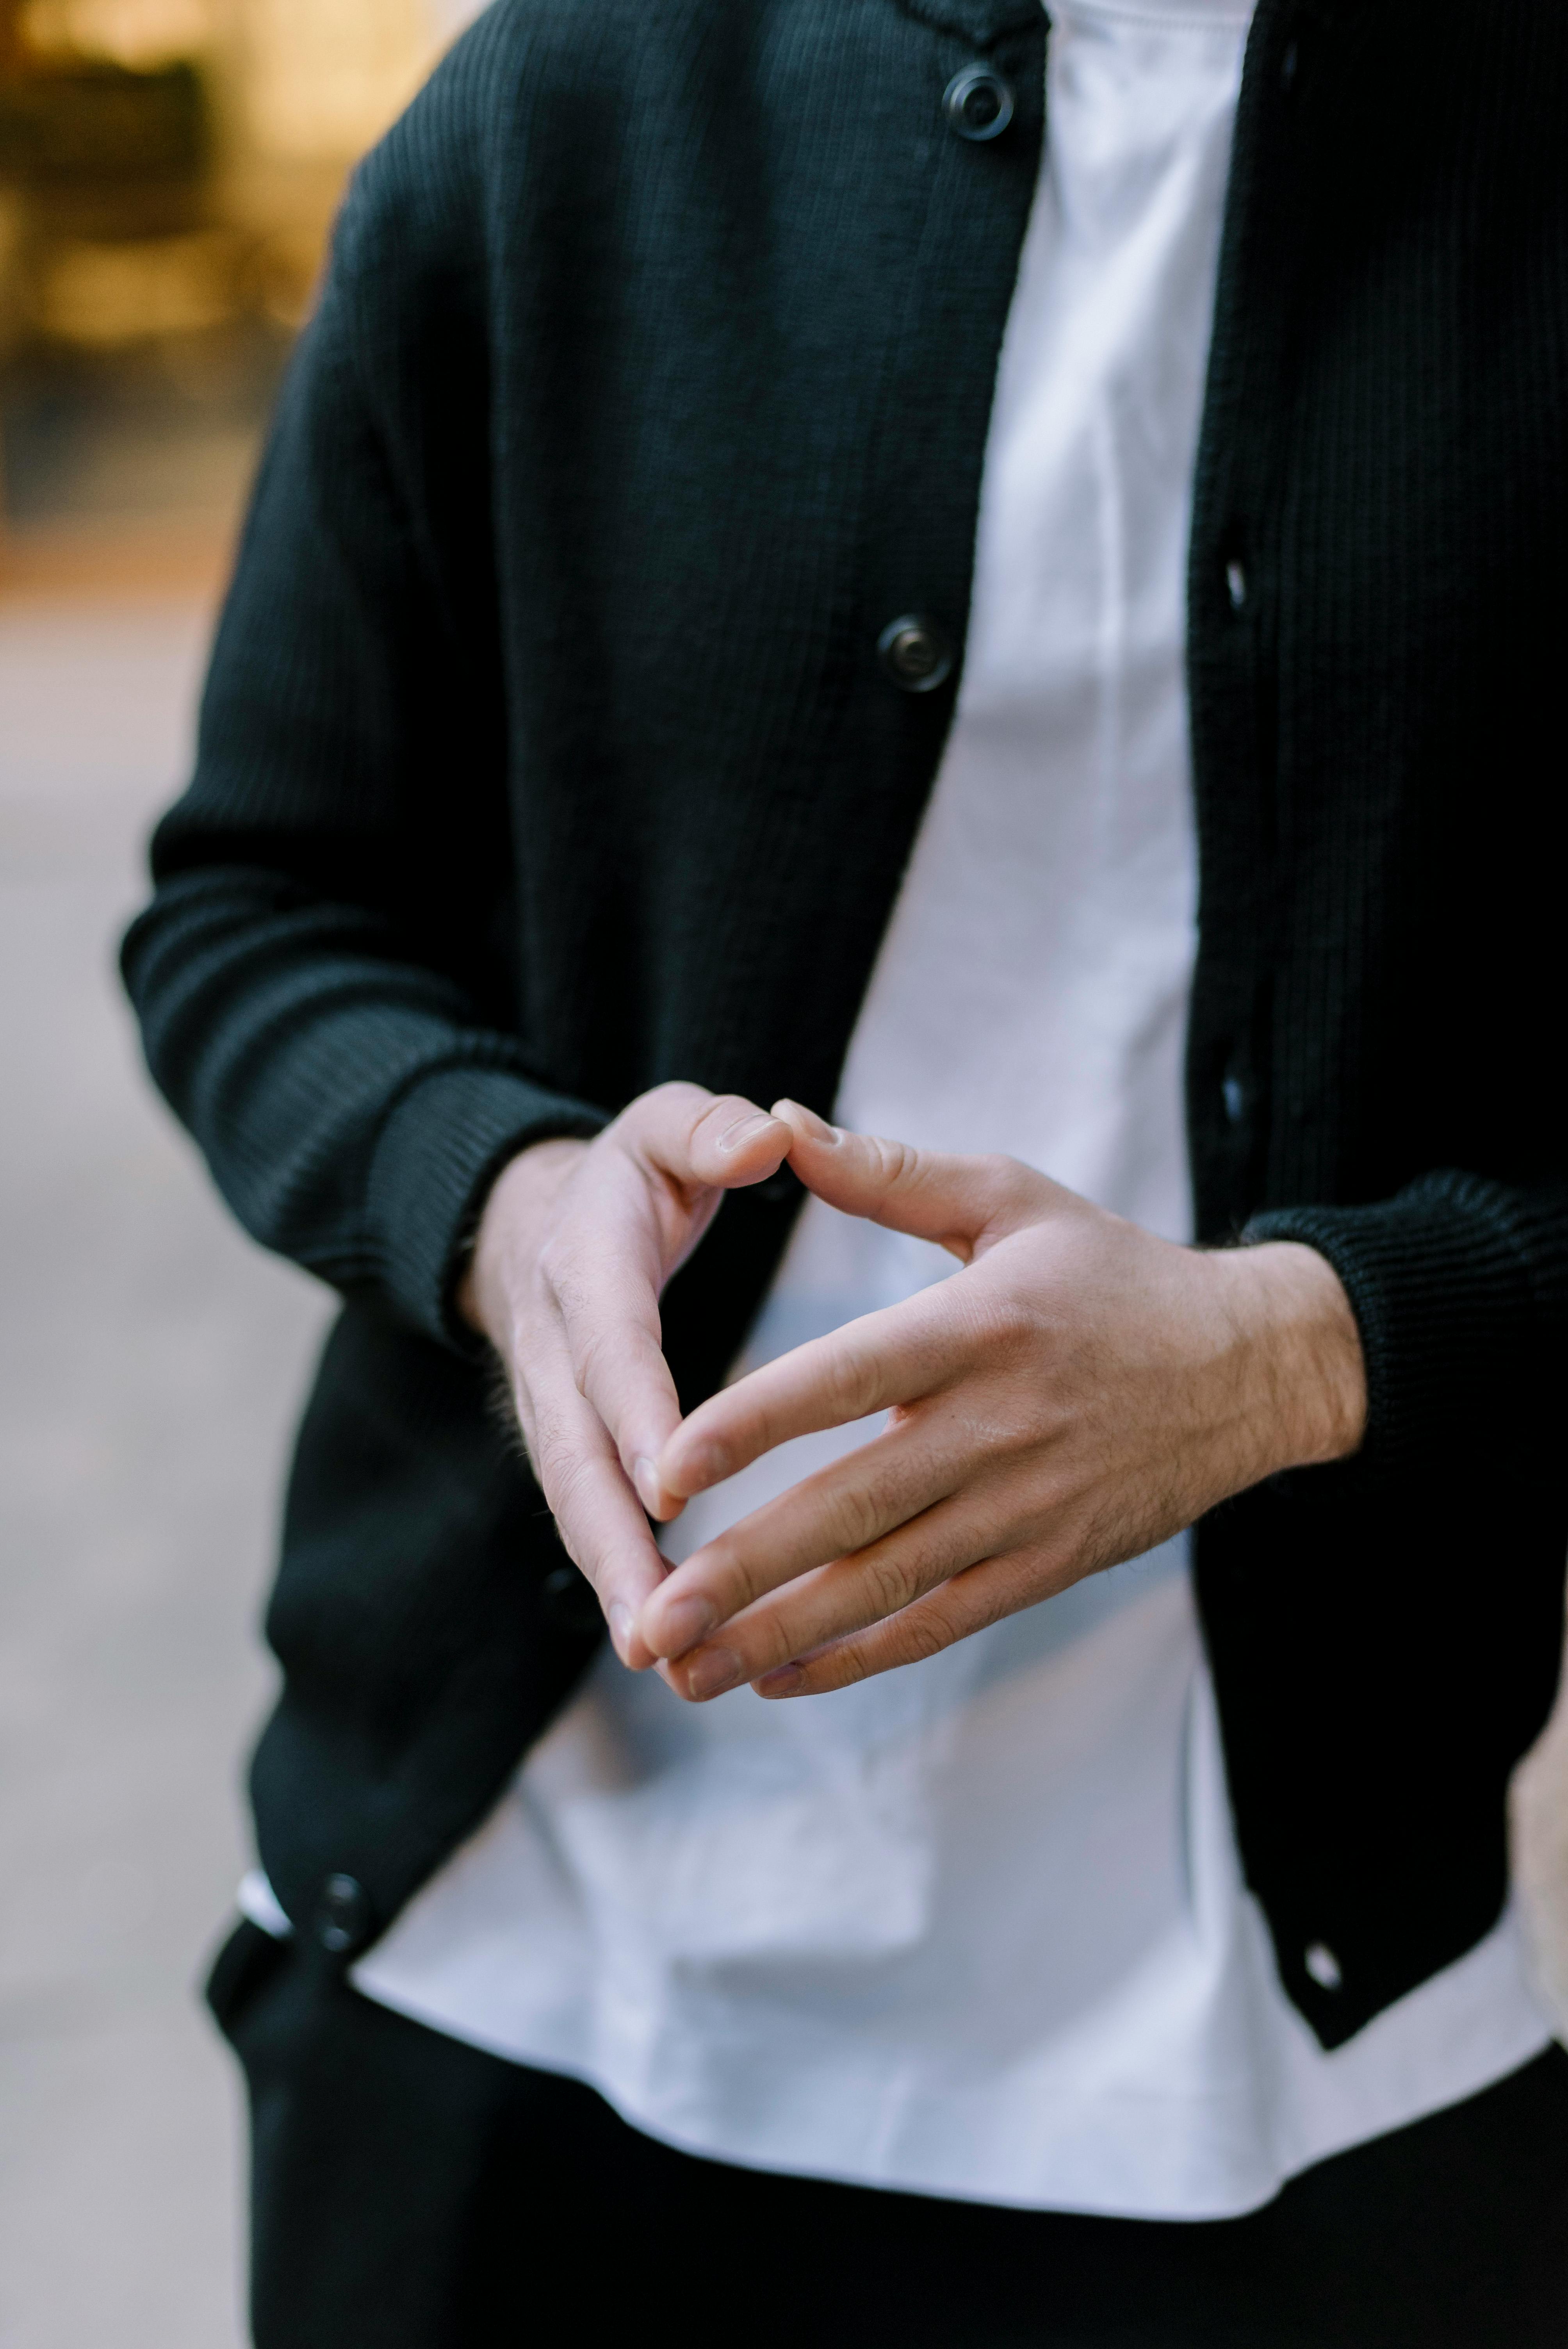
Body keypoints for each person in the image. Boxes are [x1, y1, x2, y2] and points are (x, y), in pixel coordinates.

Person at [123, 0, 1568, 2341]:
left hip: (1271, 2064)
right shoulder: (575, 97)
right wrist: (497, 1198)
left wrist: (1304, 1349)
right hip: (514, 1966)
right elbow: (258, 903)